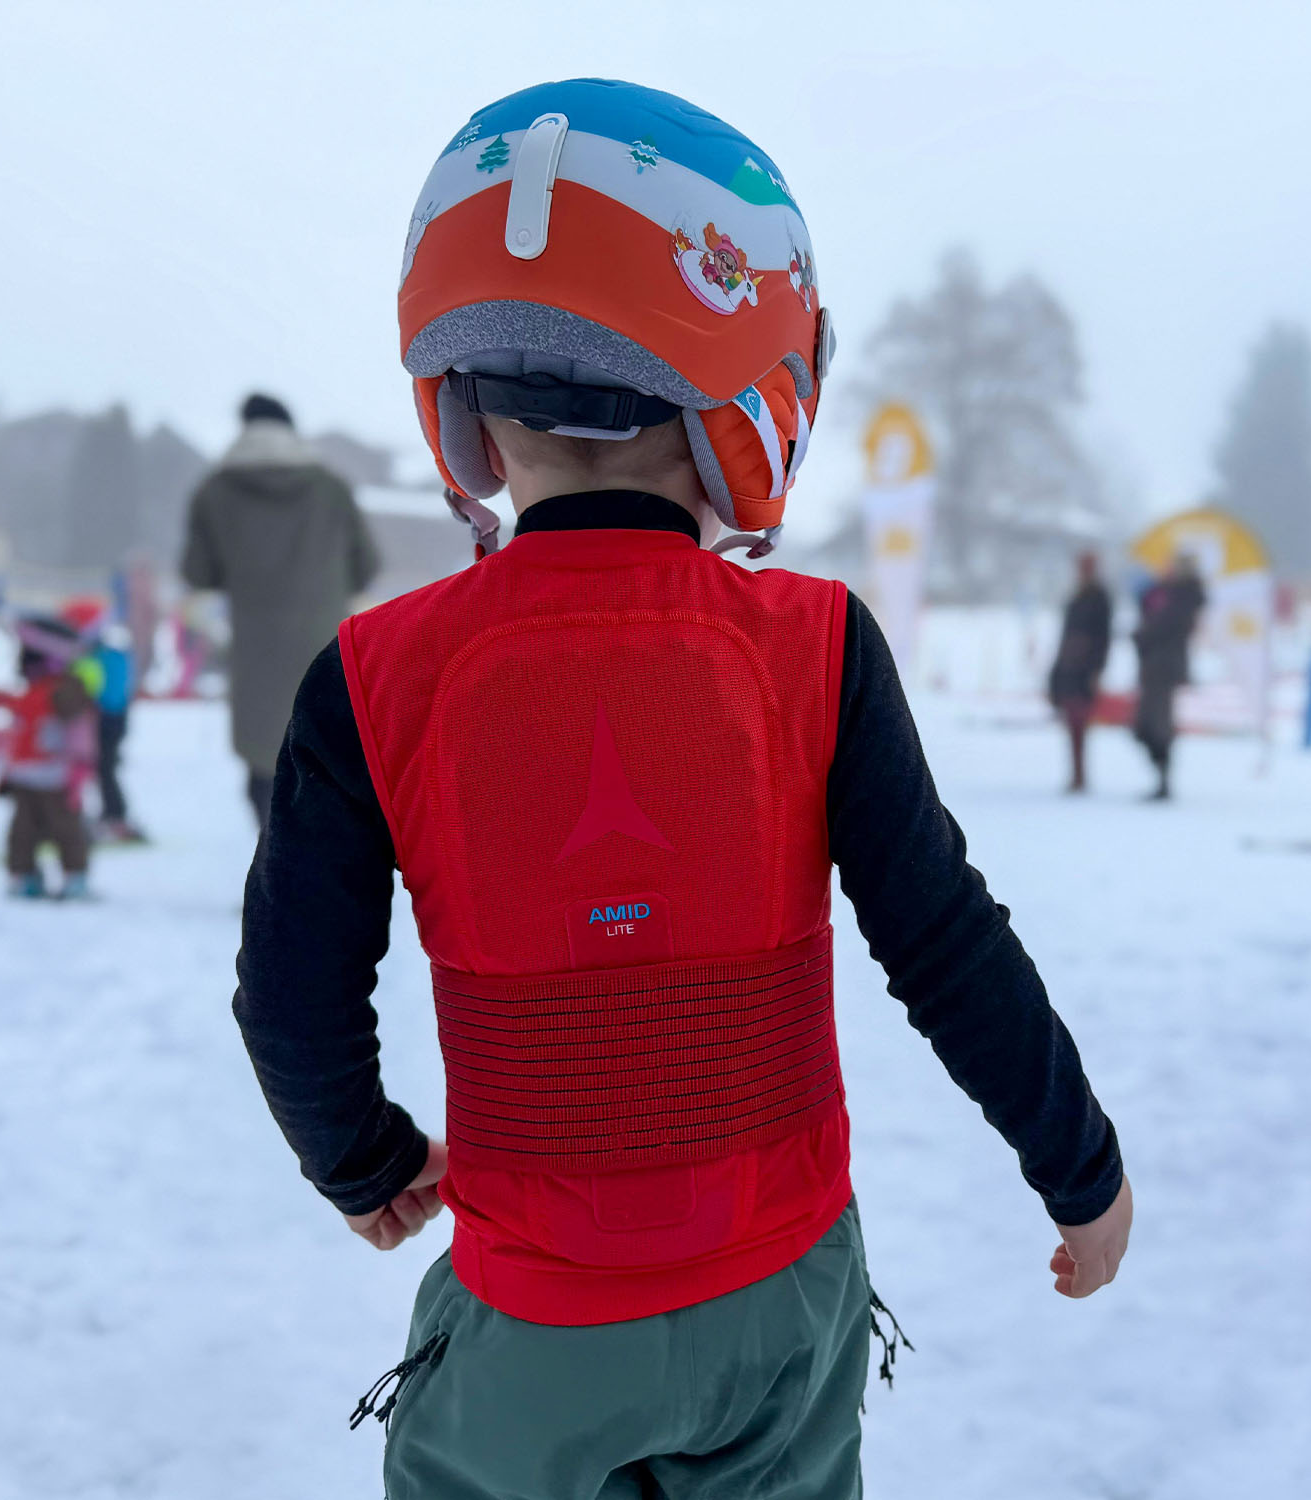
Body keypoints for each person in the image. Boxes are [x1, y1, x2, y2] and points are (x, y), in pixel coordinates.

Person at [231, 80, 1130, 1500]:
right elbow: (943, 938)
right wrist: (1078, 1164)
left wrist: (361, 1157)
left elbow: (288, 987)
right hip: (777, 1304)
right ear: (758, 383)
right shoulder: (815, 648)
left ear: (461, 401)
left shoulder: (374, 673)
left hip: (531, 1318)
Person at [182, 392, 380, 827]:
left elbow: (197, 573)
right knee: (329, 766)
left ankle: (276, 881)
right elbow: (366, 568)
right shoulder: (331, 487)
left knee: (264, 769)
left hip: (256, 656)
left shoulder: (215, 491)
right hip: (326, 651)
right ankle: (326, 886)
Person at [0, 613, 97, 899]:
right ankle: (24, 874)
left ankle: (75, 875)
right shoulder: (28, 692)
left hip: (57, 774)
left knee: (65, 828)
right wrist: (6, 771)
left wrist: (80, 766)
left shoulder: (64, 689)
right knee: (22, 832)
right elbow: (18, 734)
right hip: (25, 775)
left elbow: (79, 726)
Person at [63, 596, 146, 844]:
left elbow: (99, 692)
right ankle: (110, 815)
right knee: (103, 768)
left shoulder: (96, 657)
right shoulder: (110, 654)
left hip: (104, 720)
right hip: (113, 719)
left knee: (102, 768)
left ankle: (114, 816)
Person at [1130, 552, 1207, 801]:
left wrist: (1143, 636)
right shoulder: (1167, 593)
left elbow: (1165, 625)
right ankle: (1161, 777)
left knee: (1158, 725)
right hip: (1154, 666)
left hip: (1165, 667)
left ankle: (1164, 781)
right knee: (1145, 725)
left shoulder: (1184, 597)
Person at [1047, 551, 1113, 792]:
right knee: (1071, 722)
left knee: (1079, 721)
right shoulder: (1076, 595)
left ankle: (1080, 776)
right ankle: (1076, 774)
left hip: (1084, 669)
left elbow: (1104, 637)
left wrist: (1097, 669)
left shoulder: (1100, 597)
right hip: (1068, 666)